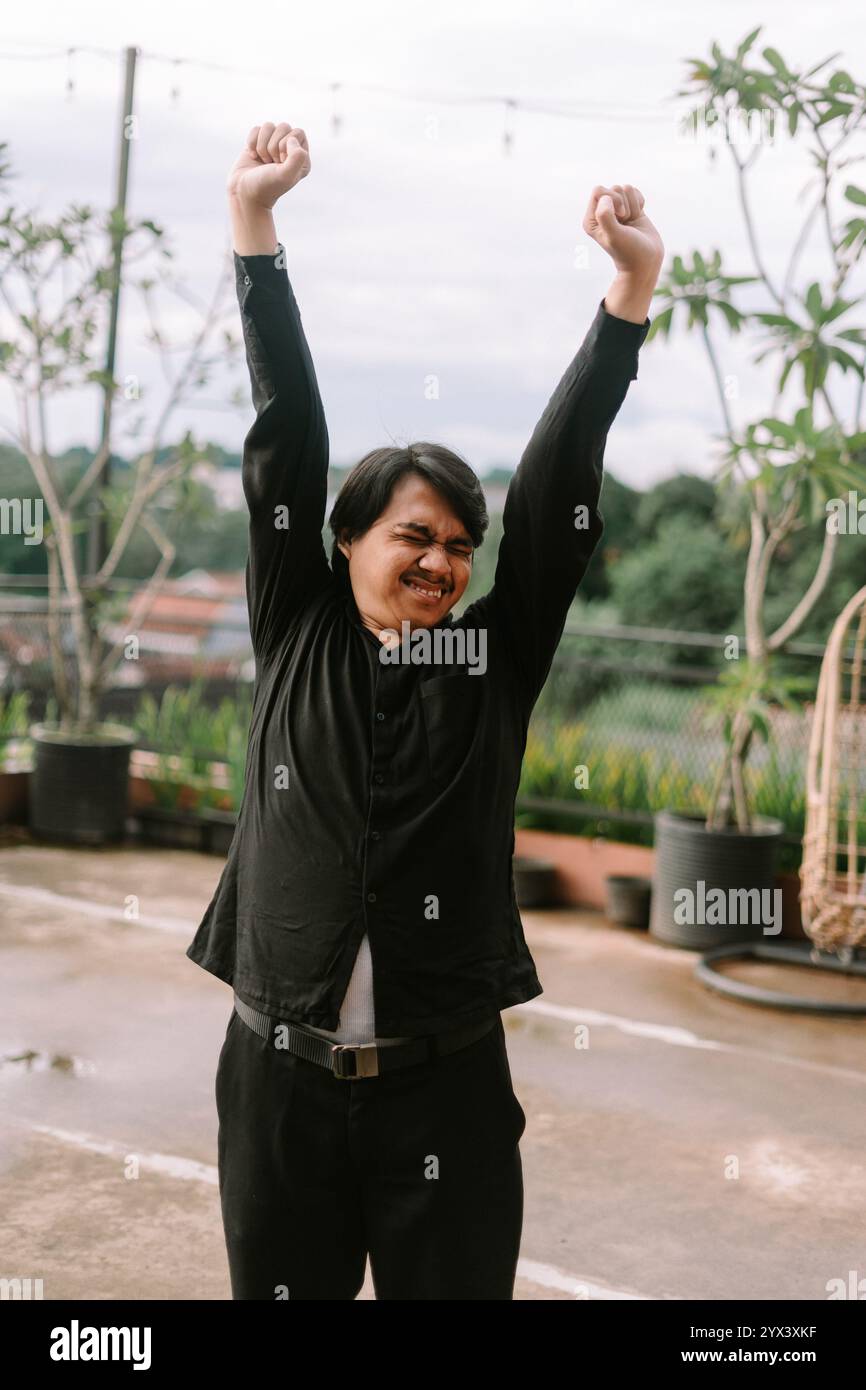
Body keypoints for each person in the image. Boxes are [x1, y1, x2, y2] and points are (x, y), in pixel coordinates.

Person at [186, 120, 663, 1300]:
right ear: (344, 540)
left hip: (442, 1092)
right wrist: (254, 223)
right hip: (278, 1088)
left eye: (459, 546)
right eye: (414, 536)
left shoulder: (488, 662)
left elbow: (556, 494)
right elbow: (283, 434)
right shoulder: (293, 624)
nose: (442, 562)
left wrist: (627, 288)